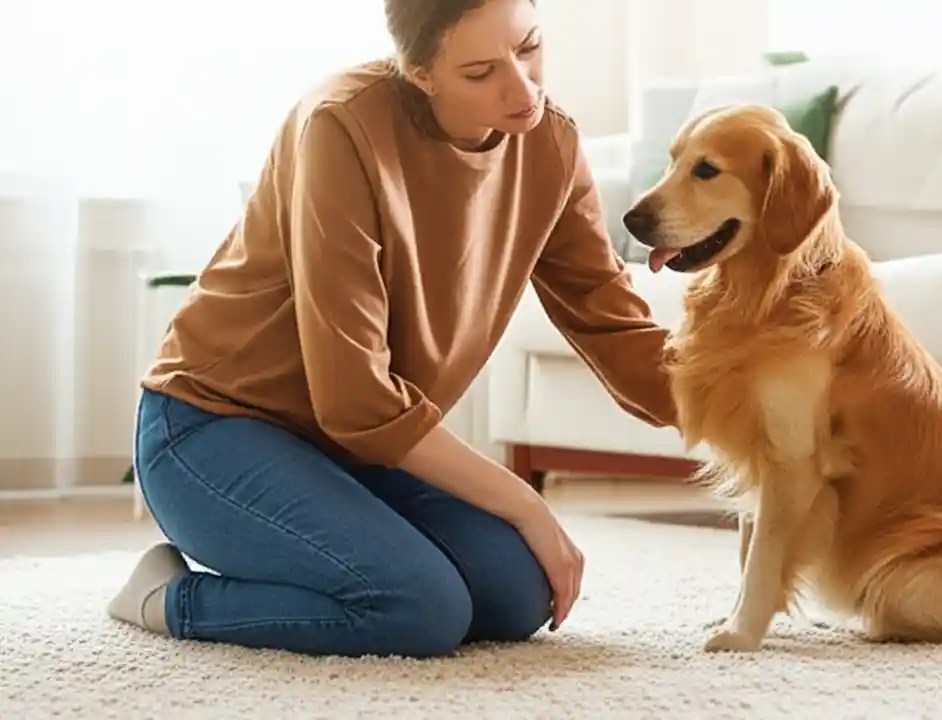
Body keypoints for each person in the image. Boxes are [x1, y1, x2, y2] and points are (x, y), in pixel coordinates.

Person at [106, 0, 677, 659]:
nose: (523, 89)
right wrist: (525, 503)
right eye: (481, 71)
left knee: (519, 595)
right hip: (213, 429)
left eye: (529, 48)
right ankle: (169, 599)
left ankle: (318, 553)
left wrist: (759, 399)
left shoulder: (549, 143)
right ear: (421, 73)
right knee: (417, 609)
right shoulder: (339, 127)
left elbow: (607, 317)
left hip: (354, 450)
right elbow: (354, 399)